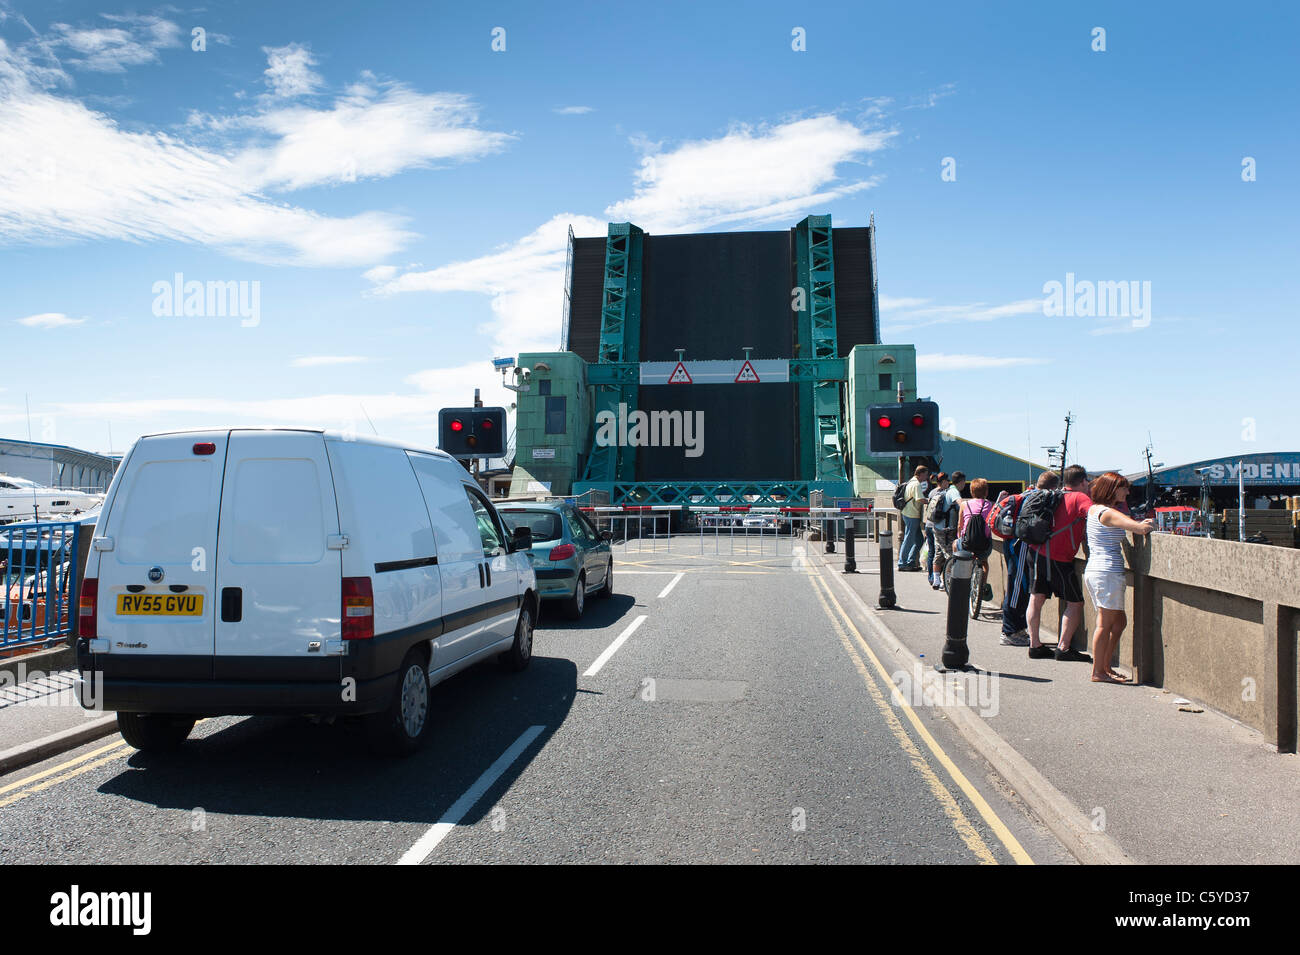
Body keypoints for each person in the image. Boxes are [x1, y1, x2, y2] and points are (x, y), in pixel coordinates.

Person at [1084, 472, 1155, 683]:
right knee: (1105, 624)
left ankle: (1105, 667)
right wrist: (1148, 523)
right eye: (1124, 487)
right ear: (1112, 489)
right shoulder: (1106, 513)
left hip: (1100, 570)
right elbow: (1140, 528)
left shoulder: (1095, 510)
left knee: (1119, 622)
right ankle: (1098, 671)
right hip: (1106, 572)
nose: (1128, 491)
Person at [1026, 464, 1093, 661]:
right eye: (1087, 482)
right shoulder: (1080, 497)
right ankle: (1063, 648)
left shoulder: (1055, 494)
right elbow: (1095, 516)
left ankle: (1035, 645)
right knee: (1075, 602)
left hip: (1036, 550)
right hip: (1058, 557)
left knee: (1036, 598)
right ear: (1082, 481)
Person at [1000, 471, 1060, 647]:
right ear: (1053, 487)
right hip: (1020, 544)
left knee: (1017, 585)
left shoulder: (1026, 494)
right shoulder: (1038, 498)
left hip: (1011, 543)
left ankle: (1015, 629)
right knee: (1017, 586)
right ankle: (1009, 631)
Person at [898, 465, 930, 571]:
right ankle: (902, 563)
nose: (926, 477)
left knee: (919, 540)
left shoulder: (910, 482)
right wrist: (930, 500)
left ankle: (910, 562)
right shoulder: (916, 484)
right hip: (912, 515)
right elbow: (920, 499)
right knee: (909, 539)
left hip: (907, 513)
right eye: (925, 474)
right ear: (920, 474)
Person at [923, 472, 950, 587]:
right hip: (937, 527)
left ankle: (932, 578)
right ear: (942, 482)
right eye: (947, 481)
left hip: (928, 525)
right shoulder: (944, 493)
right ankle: (941, 580)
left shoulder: (931, 492)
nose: (948, 483)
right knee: (939, 554)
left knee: (931, 552)